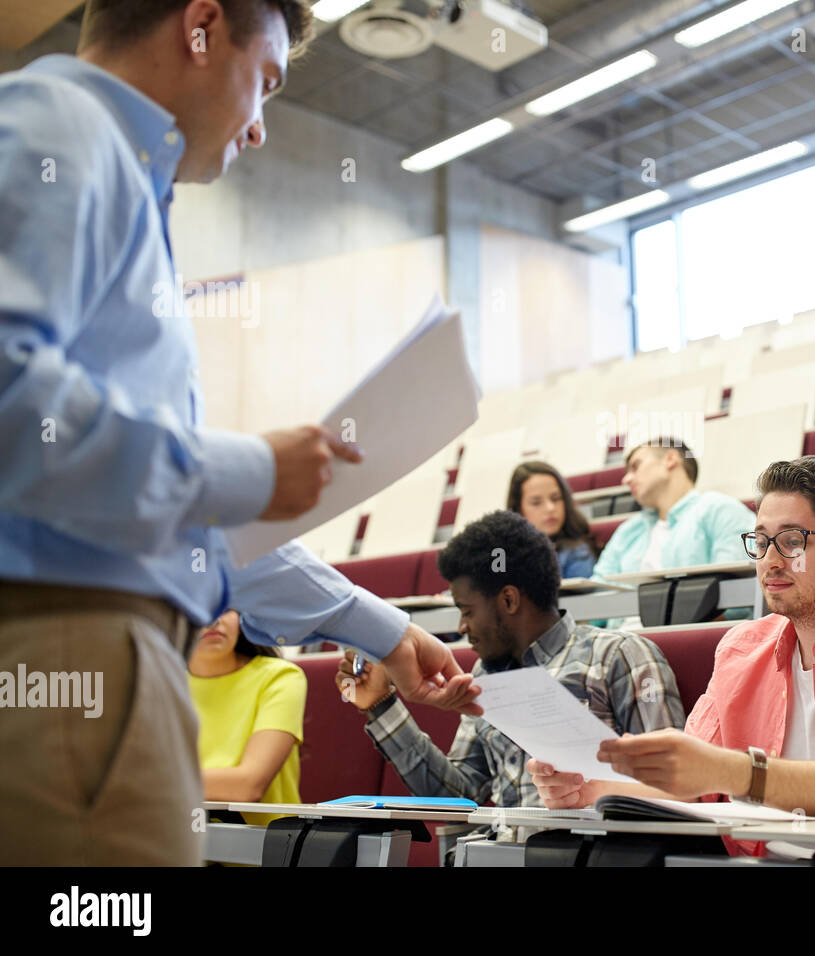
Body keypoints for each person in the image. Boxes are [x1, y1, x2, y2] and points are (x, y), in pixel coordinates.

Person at [0, 0, 477, 866]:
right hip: (64, 647)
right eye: (266, 82)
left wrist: (387, 632)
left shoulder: (112, 173)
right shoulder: (60, 126)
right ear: (201, 27)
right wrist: (242, 466)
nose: (259, 128)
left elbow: (179, 512)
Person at [529, 456, 815, 854]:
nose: (770, 561)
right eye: (761, 542)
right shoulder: (741, 648)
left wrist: (732, 771)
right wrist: (586, 788)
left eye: (792, 542)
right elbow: (695, 785)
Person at [336, 510, 684, 807]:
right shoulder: (484, 676)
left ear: (508, 601)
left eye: (467, 611)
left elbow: (677, 787)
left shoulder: (620, 655)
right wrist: (381, 706)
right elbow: (459, 794)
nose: (461, 627)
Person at [188, 609, 306, 827]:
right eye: (198, 606)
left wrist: (148, 785)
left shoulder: (281, 676)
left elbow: (248, 785)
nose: (214, 620)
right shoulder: (159, 683)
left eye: (225, 607)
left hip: (262, 849)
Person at [592, 438, 756, 577]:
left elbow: (735, 593)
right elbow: (597, 592)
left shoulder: (720, 510)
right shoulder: (627, 531)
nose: (626, 479)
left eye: (635, 466)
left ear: (670, 459)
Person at [506, 461, 598, 578]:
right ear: (518, 509)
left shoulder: (577, 552)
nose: (550, 508)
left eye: (556, 498)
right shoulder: (504, 552)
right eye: (536, 502)